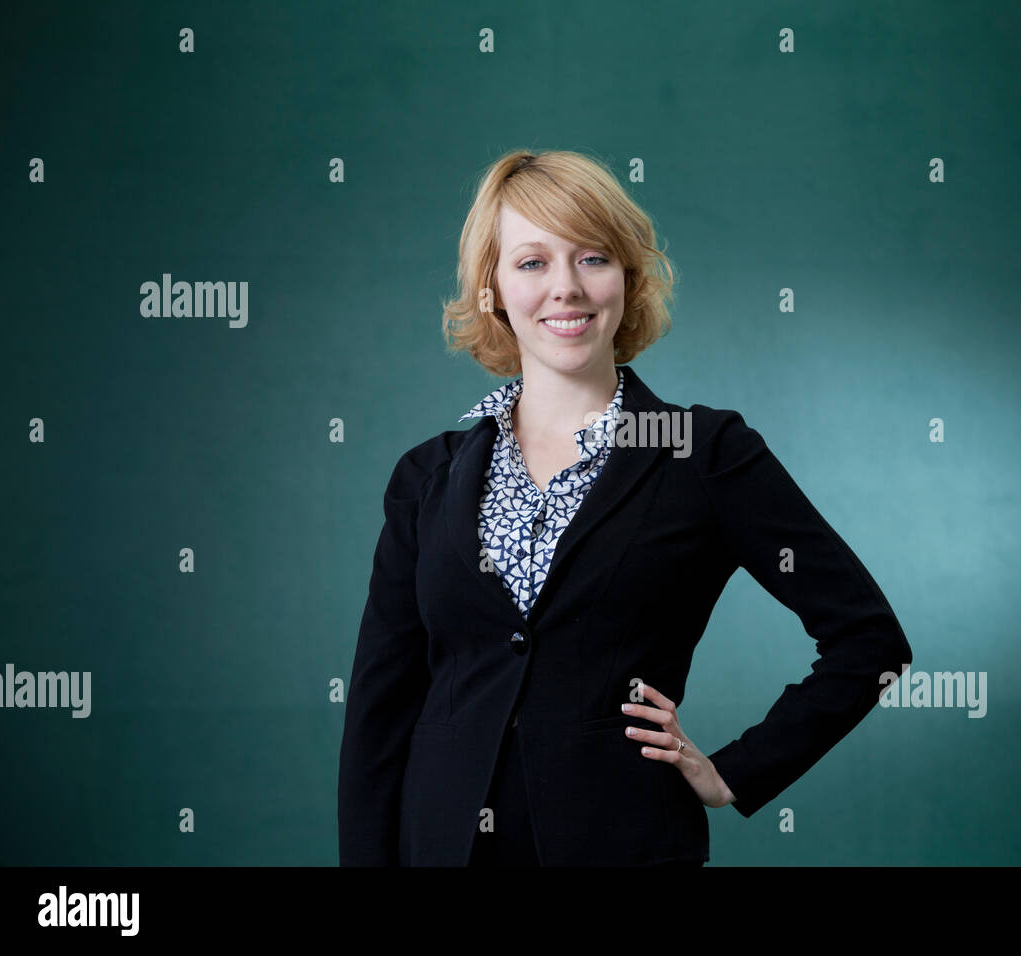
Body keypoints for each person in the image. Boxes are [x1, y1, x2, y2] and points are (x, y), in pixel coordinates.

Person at [337, 149, 912, 867]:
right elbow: (380, 710)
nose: (566, 289)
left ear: (628, 279)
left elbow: (871, 642)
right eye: (531, 263)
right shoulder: (426, 477)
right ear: (491, 288)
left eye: (593, 258)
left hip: (626, 847)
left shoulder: (705, 452)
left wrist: (734, 771)